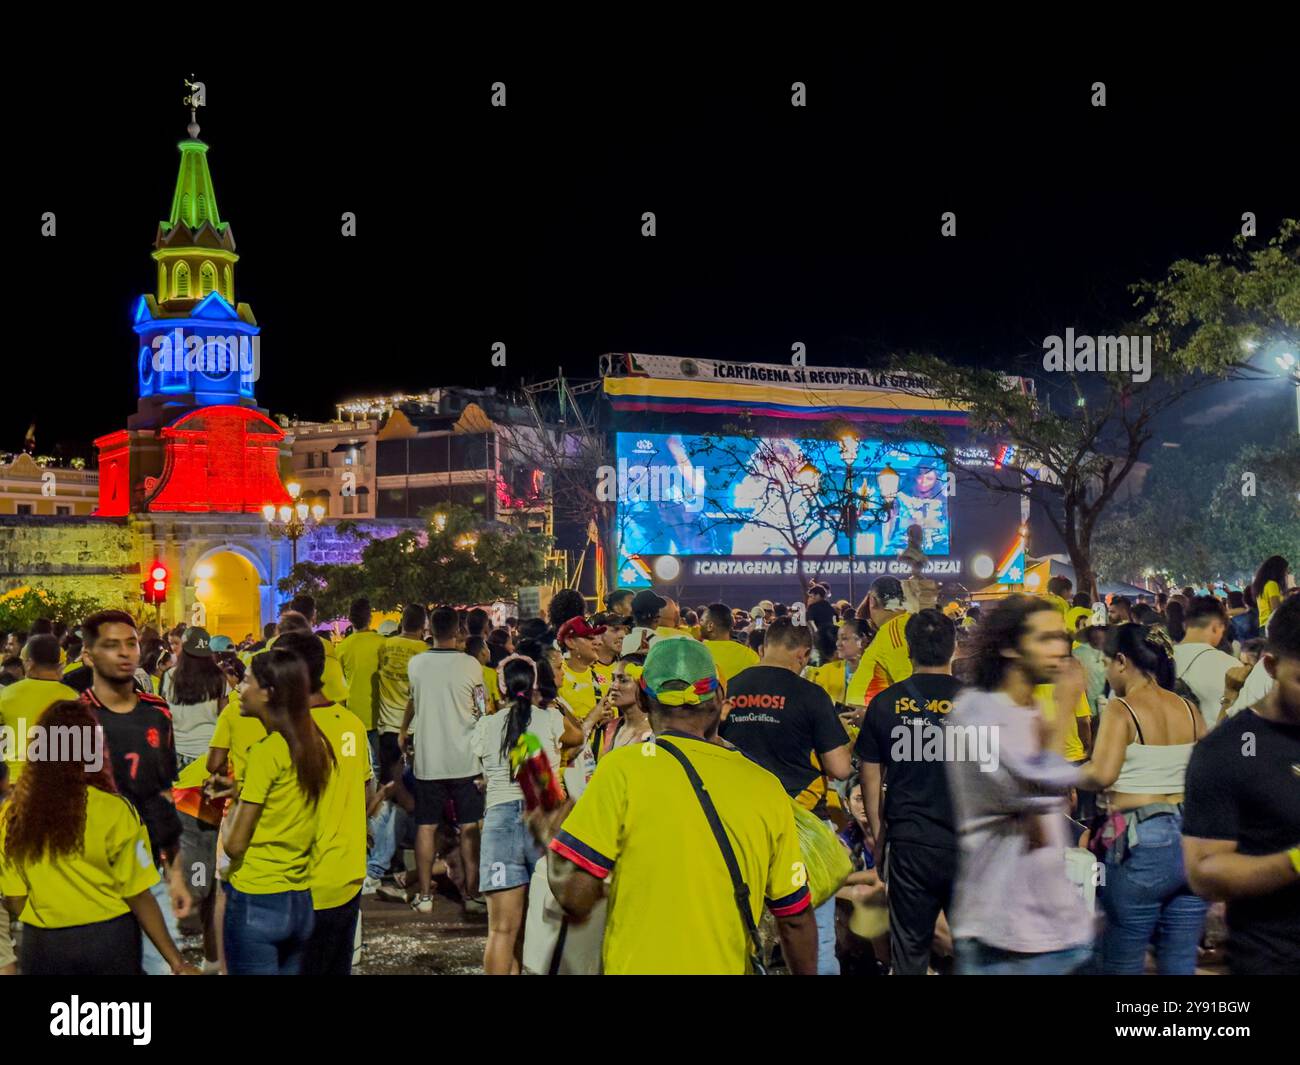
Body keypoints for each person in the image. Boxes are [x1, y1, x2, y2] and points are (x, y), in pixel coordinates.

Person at [530, 637, 818, 974]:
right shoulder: (765, 786)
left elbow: (574, 897)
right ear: (719, 698)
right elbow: (795, 916)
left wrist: (553, 831)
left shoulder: (622, 770)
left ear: (642, 695)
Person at [944, 596, 1093, 975]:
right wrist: (1064, 706)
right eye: (1044, 639)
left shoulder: (1029, 712)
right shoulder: (973, 714)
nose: (1060, 648)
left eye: (1061, 636)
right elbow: (1035, 787)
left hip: (1056, 930)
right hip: (1000, 936)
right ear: (1010, 646)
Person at [0, 699, 197, 975]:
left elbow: (16, 897)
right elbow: (139, 895)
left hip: (43, 945)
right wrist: (177, 962)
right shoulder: (113, 809)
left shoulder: (13, 814)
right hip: (110, 941)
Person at [720, 618, 851, 975]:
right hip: (801, 828)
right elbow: (839, 767)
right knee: (815, 933)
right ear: (803, 654)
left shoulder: (730, 690)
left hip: (738, 825)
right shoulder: (810, 694)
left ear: (764, 647)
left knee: (743, 931)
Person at [1076, 624, 1207, 974]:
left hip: (1140, 843)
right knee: (1180, 961)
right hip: (1191, 843)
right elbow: (1207, 772)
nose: (1105, 671)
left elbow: (1101, 774)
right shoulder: (1190, 709)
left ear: (1121, 661)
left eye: (1106, 663)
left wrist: (1065, 773)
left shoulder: (1122, 710)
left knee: (1121, 961)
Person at [1183, 595, 1300, 975]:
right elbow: (1204, 872)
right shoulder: (1226, 751)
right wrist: (1295, 862)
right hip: (1274, 961)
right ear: (1271, 665)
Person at [79, 610, 192, 975]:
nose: (125, 653)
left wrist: (175, 873)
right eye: (112, 646)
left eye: (131, 643)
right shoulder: (72, 718)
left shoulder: (158, 713)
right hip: (90, 875)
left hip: (148, 871)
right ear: (88, 654)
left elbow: (164, 793)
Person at [856, 609, 960, 975]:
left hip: (910, 843)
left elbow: (871, 780)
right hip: (970, 846)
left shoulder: (885, 705)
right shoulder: (980, 704)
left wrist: (880, 835)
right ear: (955, 649)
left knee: (910, 953)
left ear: (909, 651)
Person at [219, 648, 334, 975]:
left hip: (257, 897)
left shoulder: (266, 752)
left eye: (247, 681)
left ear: (269, 692)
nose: (240, 689)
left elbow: (235, 844)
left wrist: (230, 811)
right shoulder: (314, 745)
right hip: (299, 899)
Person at [473, 654, 583, 974]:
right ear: (535, 684)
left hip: (500, 823)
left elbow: (479, 769)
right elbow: (578, 735)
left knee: (501, 932)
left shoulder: (487, 725)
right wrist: (556, 703)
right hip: (543, 821)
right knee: (534, 930)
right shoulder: (549, 719)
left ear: (502, 686)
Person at [275, 631, 374, 976]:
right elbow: (365, 796)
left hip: (294, 884)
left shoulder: (280, 731)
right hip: (346, 878)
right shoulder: (352, 726)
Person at [401, 606, 489, 916]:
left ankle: (424, 896)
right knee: (469, 828)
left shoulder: (417, 664)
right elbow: (481, 708)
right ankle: (472, 894)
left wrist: (403, 731)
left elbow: (414, 700)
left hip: (429, 760)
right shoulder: (470, 666)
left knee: (426, 827)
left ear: (430, 629)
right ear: (458, 630)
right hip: (465, 759)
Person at [0, 634, 78, 782]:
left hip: (15, 782)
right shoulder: (73, 698)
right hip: (56, 784)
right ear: (59, 663)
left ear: (29, 663)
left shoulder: (7, 694)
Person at [1172, 596, 1240, 729]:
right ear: (1216, 627)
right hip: (1212, 745)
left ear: (1185, 625)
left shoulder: (1159, 659)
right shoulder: (1232, 667)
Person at [846, 576, 914, 710]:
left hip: (876, 723)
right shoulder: (899, 626)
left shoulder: (895, 631)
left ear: (872, 600)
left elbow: (909, 684)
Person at [337, 598, 385, 776]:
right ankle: (379, 803)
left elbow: (338, 686)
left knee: (351, 766)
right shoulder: (382, 643)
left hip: (351, 717)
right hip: (379, 715)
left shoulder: (342, 648)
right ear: (370, 618)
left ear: (350, 619)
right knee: (379, 767)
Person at [555, 615, 608, 722]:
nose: (598, 642)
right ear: (570, 642)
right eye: (589, 638)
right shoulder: (556, 678)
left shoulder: (603, 676)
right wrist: (592, 719)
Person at [810, 618, 867, 717]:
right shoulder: (822, 672)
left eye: (844, 639)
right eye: (838, 639)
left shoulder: (878, 673)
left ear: (863, 641)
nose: (838, 644)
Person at [700, 603, 759, 686]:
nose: (699, 625)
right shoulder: (750, 655)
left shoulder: (697, 653)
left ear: (710, 626)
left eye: (701, 621)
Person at [1252, 554, 1290, 634]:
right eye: (1285, 571)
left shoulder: (1263, 585)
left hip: (1264, 626)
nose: (1286, 573)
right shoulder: (1272, 585)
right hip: (1272, 627)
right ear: (1278, 570)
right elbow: (1276, 609)